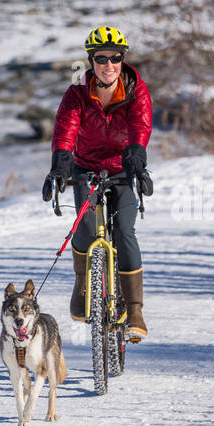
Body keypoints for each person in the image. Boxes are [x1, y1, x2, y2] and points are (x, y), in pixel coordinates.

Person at [41, 25, 152, 340]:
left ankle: (135, 308)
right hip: (86, 169)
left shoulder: (135, 89)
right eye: (100, 58)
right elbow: (66, 129)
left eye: (115, 58)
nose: (108, 65)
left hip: (122, 168)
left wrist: (136, 162)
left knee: (125, 230)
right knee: (85, 228)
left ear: (122, 60)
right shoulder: (77, 92)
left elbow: (140, 126)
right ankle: (82, 283)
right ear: (91, 61)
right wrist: (60, 166)